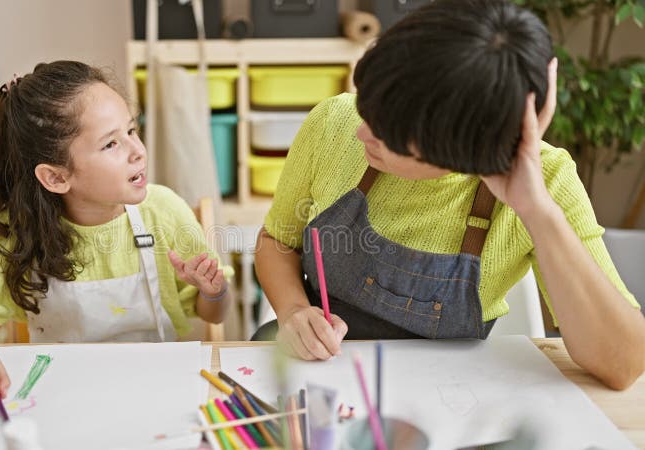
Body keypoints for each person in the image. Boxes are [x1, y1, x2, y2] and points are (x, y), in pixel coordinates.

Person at [254, 0, 645, 390]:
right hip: (316, 374)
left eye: (390, 137)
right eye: (366, 107)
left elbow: (623, 365)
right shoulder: (334, 123)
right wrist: (293, 312)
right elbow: (277, 241)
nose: (363, 133)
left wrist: (536, 210)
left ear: (468, 153)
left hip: (449, 397)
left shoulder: (547, 180)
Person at [0, 61, 231, 403]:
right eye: (111, 144)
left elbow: (214, 313)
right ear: (57, 177)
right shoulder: (18, 235)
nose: (137, 151)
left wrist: (214, 292)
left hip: (155, 393)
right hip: (58, 400)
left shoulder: (164, 213)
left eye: (131, 131)